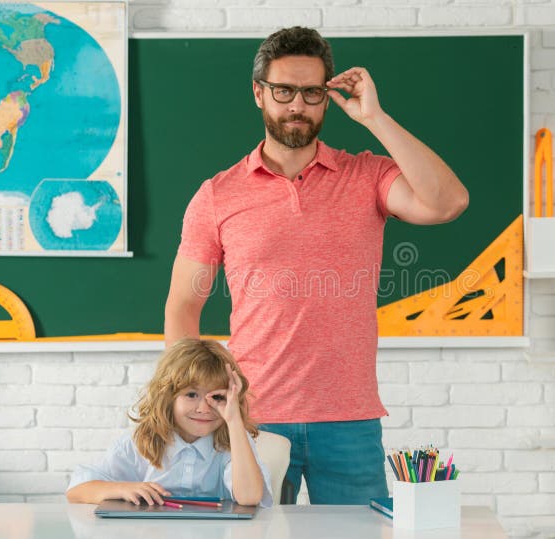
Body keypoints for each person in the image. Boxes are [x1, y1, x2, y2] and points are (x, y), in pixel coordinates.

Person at [164, 27, 468, 504]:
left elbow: (448, 202)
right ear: (258, 92)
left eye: (311, 92)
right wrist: (196, 401)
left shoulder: (367, 175)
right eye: (284, 91)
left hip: (348, 418)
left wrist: (376, 118)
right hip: (253, 418)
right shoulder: (217, 195)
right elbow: (184, 305)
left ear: (328, 97)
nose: (297, 105)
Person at [66, 338, 272, 507]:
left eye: (216, 397)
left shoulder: (233, 442)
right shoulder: (142, 441)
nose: (204, 408)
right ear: (168, 397)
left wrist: (234, 420)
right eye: (191, 394)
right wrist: (121, 488)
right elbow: (77, 489)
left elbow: (249, 497)